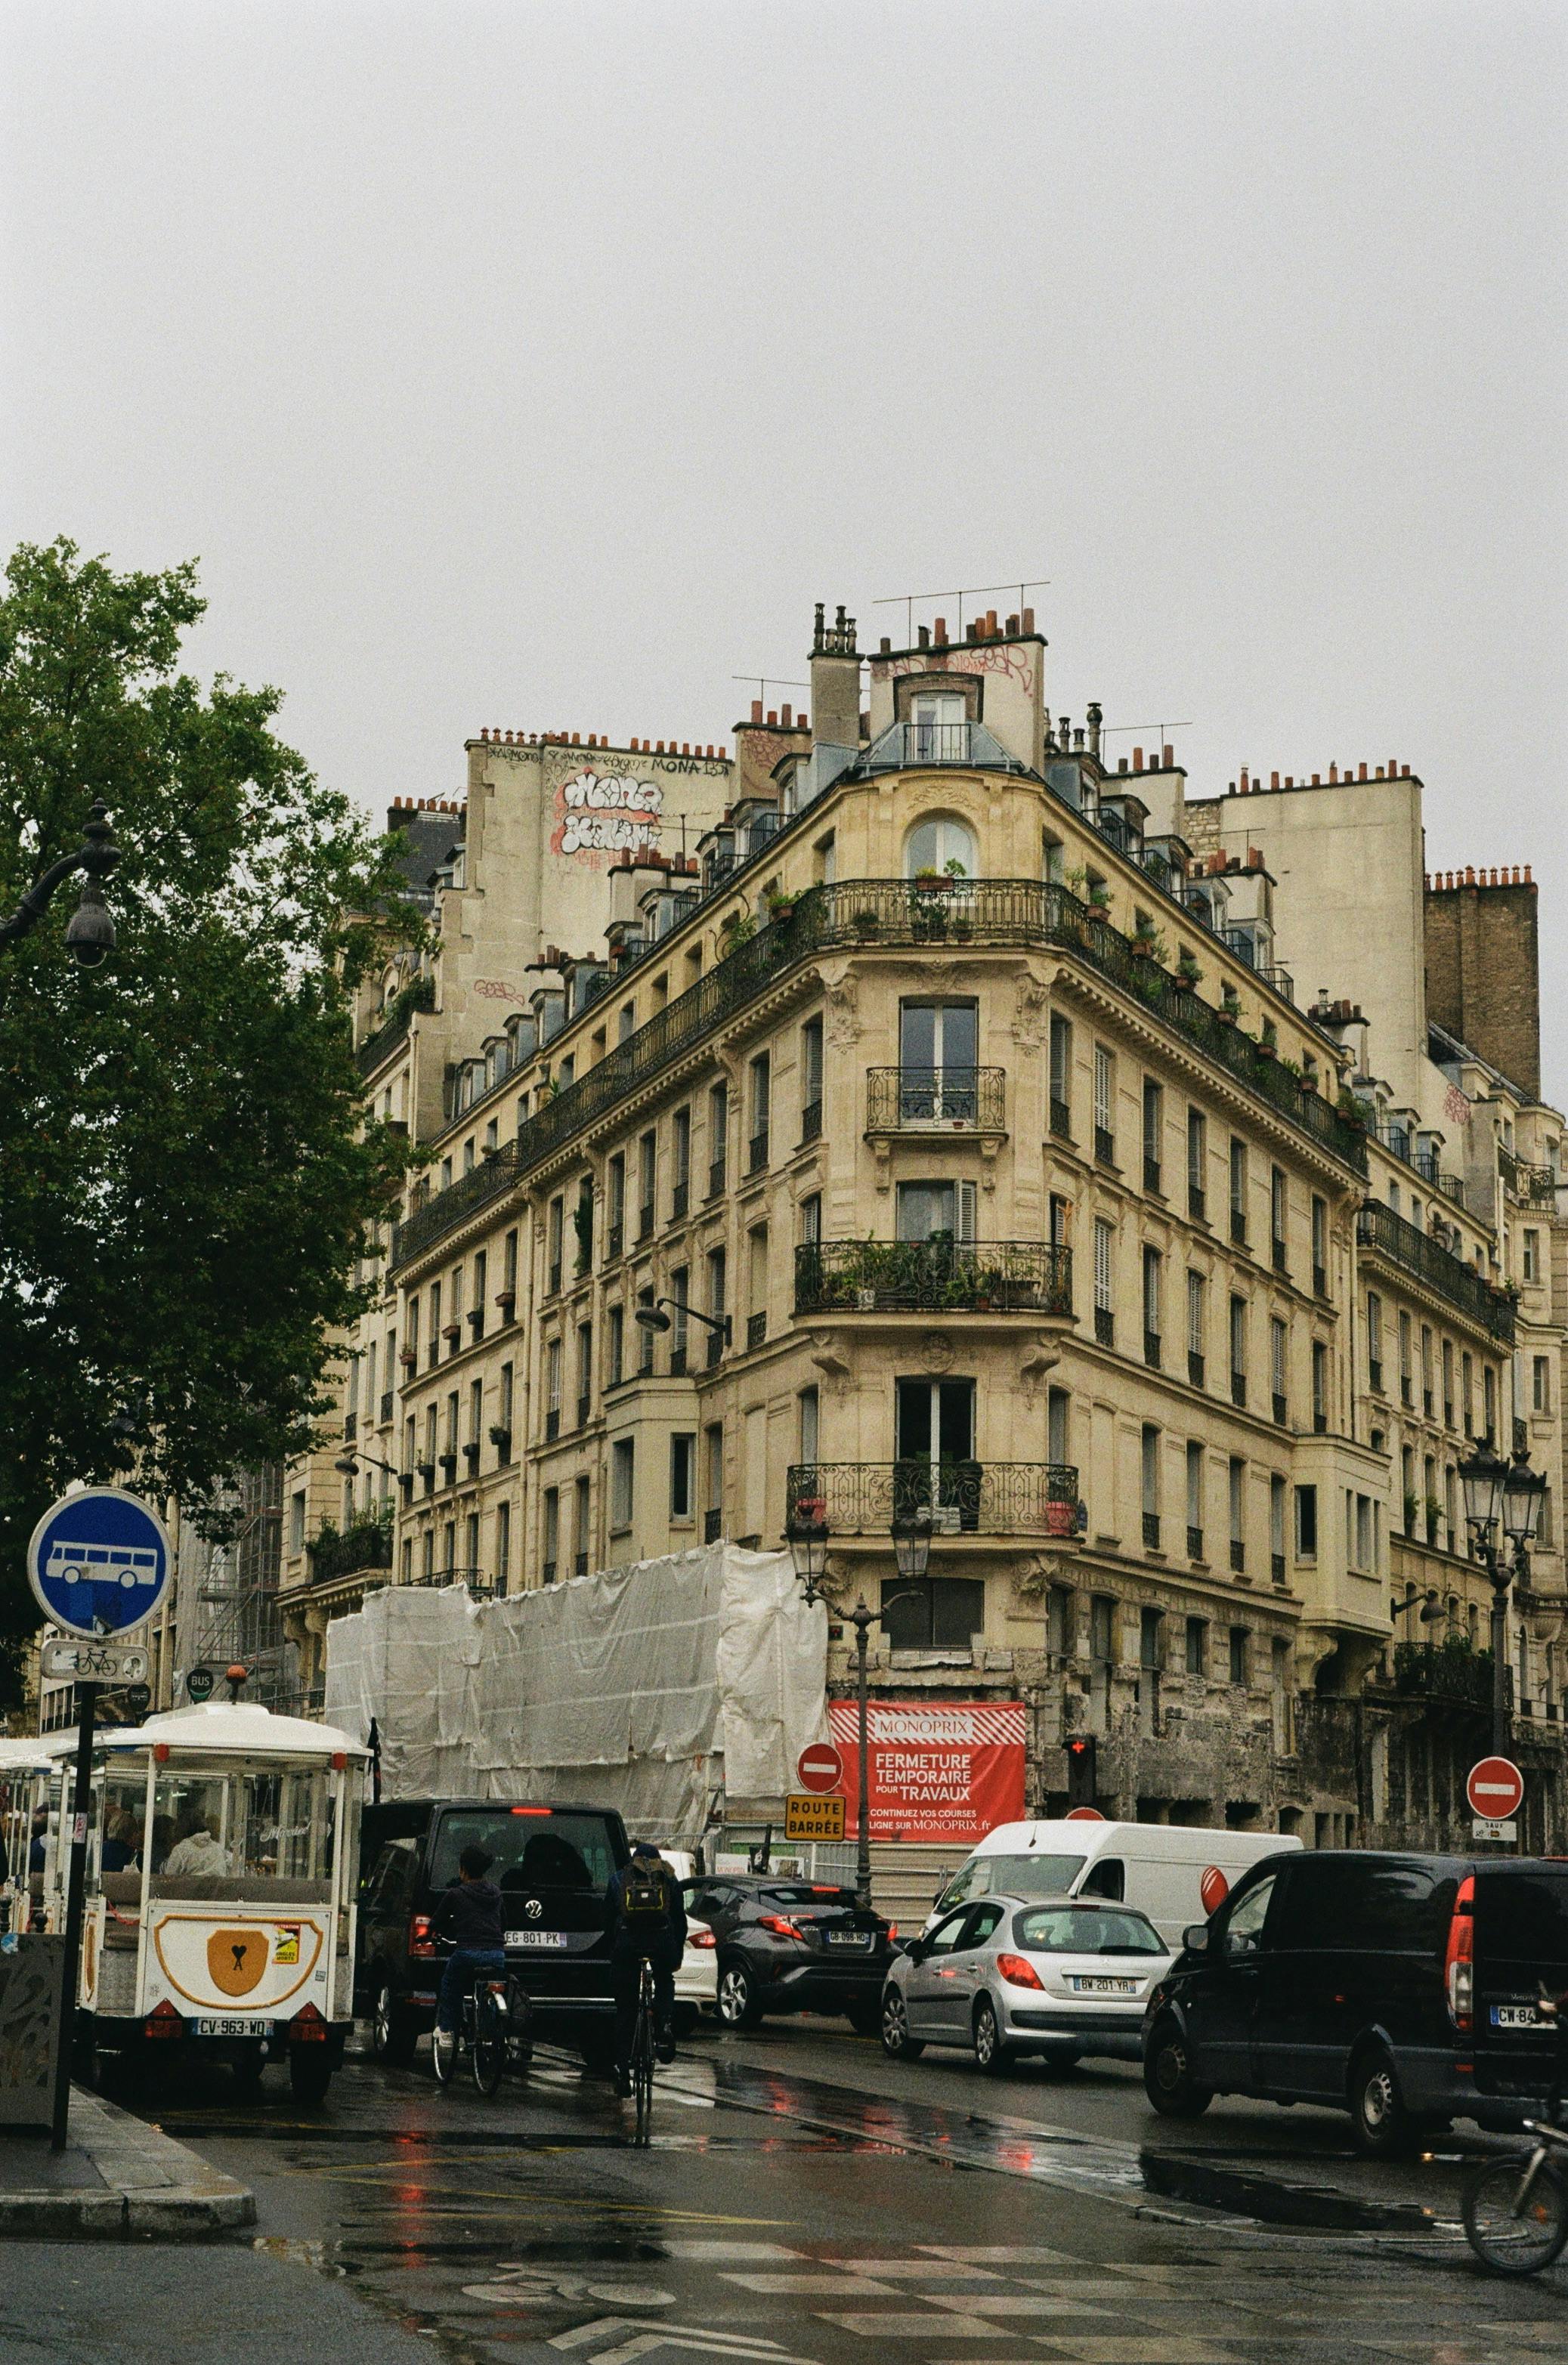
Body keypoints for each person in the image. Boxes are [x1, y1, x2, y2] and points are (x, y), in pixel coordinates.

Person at [606, 1841, 687, 2098]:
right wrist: (676, 1955)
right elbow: (679, 1920)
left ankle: (622, 2069)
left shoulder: (619, 1878)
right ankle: (663, 2025)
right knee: (664, 1979)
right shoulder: (669, 1877)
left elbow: (607, 1918)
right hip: (662, 1943)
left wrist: (614, 1951)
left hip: (627, 1945)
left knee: (626, 2009)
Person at [431, 1843, 508, 2064]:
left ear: (463, 1869)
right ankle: (490, 2033)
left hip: (468, 1953)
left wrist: (430, 1935)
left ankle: (447, 2030)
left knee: (450, 1984)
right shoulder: (496, 1893)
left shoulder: (456, 1894)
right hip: (496, 1954)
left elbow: (437, 1922)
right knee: (489, 1988)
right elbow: (504, 1923)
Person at [164, 1811, 230, 1876]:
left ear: (181, 1830)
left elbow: (169, 1878)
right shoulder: (218, 1848)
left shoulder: (180, 1850)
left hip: (188, 1886)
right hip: (217, 1886)